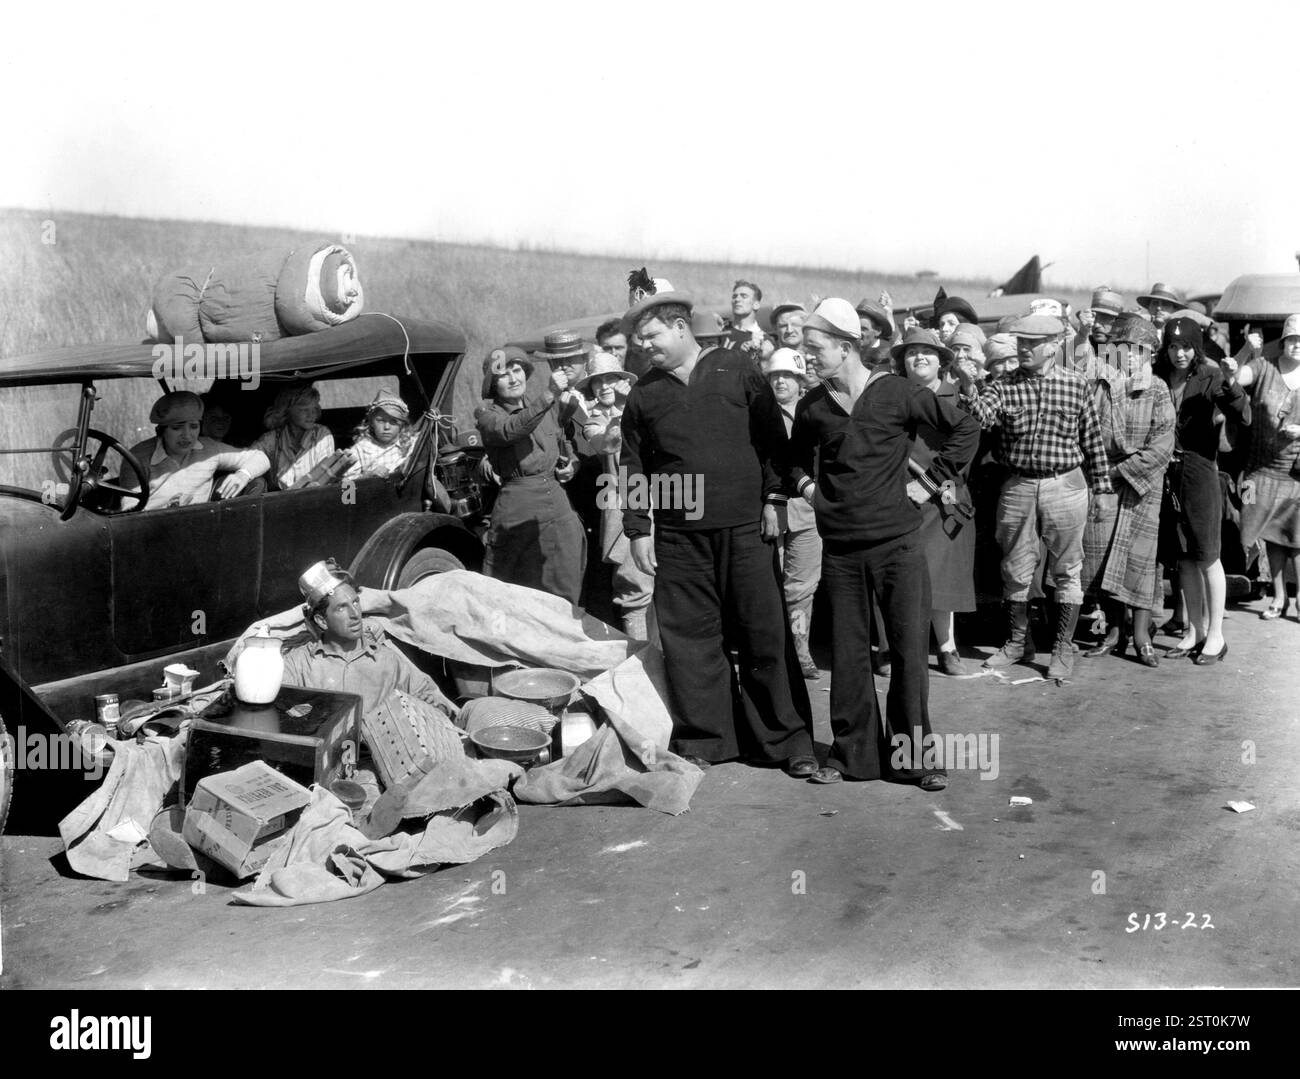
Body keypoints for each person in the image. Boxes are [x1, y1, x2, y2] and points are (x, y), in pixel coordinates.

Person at [780, 302, 978, 788]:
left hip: (899, 548)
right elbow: (788, 461)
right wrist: (811, 491)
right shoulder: (813, 407)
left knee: (910, 653)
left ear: (845, 348)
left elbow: (965, 430)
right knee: (849, 655)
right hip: (843, 552)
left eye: (814, 349)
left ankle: (916, 760)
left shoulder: (897, 393)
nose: (806, 358)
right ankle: (852, 757)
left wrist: (929, 482)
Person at [620, 289, 816, 776]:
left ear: (681, 327)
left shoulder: (735, 368)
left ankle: (785, 742)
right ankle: (708, 739)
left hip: (745, 527)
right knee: (690, 640)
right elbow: (633, 466)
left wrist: (774, 498)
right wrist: (638, 529)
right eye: (639, 340)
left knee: (763, 634)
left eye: (652, 335)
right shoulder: (645, 393)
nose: (645, 346)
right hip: (679, 538)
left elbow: (773, 440)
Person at [963, 315, 1114, 681]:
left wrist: (1103, 490)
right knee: (1014, 570)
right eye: (1021, 342)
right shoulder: (1001, 386)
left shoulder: (1076, 386)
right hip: (1018, 487)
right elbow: (982, 417)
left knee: (1067, 571)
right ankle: (1018, 643)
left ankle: (1062, 648)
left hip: (1066, 486)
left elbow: (1092, 440)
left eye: (1032, 343)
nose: (1024, 349)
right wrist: (971, 389)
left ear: (1054, 345)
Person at [1078, 315, 1176, 668]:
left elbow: (1162, 446)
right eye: (1124, 349)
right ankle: (1114, 633)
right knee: (1105, 557)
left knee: (1139, 560)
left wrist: (1120, 470)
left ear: (1151, 352)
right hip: (1104, 483)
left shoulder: (1159, 389)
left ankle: (1141, 636)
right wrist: (1102, 471)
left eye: (1139, 350)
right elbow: (1087, 431)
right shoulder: (1101, 385)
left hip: (1142, 486)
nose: (1131, 356)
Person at [1153, 317, 1249, 663]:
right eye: (1174, 346)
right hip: (1168, 470)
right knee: (1184, 559)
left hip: (1200, 470)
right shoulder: (1159, 374)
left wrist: (1232, 381)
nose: (1180, 353)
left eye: (1187, 347)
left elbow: (1244, 414)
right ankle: (1194, 631)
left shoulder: (1210, 376)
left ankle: (1216, 636)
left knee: (1208, 556)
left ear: (1197, 348)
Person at [893, 328, 980, 676]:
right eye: (912, 352)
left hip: (946, 495)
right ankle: (890, 650)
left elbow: (967, 448)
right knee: (895, 575)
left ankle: (948, 650)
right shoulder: (891, 395)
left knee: (942, 577)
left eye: (927, 352)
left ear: (941, 360)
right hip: (898, 493)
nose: (919, 358)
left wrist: (934, 485)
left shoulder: (956, 398)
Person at [475, 346, 586, 605]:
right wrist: (549, 394)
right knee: (516, 591)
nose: (514, 379)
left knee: (567, 580)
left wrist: (572, 464)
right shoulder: (487, 416)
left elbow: (563, 443)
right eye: (504, 375)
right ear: (493, 383)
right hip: (518, 509)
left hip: (557, 504)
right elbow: (511, 429)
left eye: (518, 371)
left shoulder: (546, 408)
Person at [281, 559, 461, 719]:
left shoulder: (388, 660)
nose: (355, 614)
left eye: (356, 602)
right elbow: (276, 710)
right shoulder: (299, 664)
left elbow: (435, 703)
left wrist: (431, 707)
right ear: (322, 621)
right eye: (341, 608)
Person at [1225, 313, 1300, 621]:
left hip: (1295, 472)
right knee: (1269, 536)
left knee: (1296, 539)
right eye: (1292, 340)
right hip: (1260, 472)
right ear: (1282, 342)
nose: (1297, 346)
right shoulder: (1264, 368)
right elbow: (1233, 378)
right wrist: (1243, 352)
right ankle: (1278, 597)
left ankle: (1299, 600)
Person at [577, 351, 655, 640]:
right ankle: (641, 664)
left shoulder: (645, 402)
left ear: (623, 380)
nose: (606, 386)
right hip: (624, 509)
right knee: (634, 588)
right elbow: (606, 443)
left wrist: (635, 399)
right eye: (598, 382)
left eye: (612, 378)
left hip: (668, 497)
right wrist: (624, 413)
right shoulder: (592, 420)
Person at [762, 347, 822, 679]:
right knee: (769, 584)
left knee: (802, 586)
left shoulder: (814, 412)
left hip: (809, 510)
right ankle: (773, 653)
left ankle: (800, 652)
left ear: (800, 380)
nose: (781, 380)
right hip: (771, 508)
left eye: (787, 375)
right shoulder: (758, 414)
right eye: (775, 375)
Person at [126, 391, 270, 510]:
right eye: (177, 427)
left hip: (201, 528)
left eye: (194, 426)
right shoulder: (138, 456)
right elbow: (129, 510)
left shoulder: (208, 448)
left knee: (257, 482)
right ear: (161, 430)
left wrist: (242, 475)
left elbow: (260, 457)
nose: (187, 435)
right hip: (155, 530)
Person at [251, 383, 336, 490]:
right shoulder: (271, 439)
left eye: (314, 409)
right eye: (304, 410)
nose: (311, 415)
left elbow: (325, 476)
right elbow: (249, 458)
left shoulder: (322, 434)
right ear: (287, 410)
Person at [343, 389, 417, 480]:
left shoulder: (413, 444)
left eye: (393, 421)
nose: (386, 427)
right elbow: (346, 484)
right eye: (380, 420)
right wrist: (368, 476)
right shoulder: (360, 449)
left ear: (402, 424)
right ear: (371, 423)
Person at [725, 279, 774, 361]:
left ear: (756, 305)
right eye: (734, 296)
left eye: (744, 296)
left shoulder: (764, 340)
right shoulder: (720, 329)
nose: (737, 300)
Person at [856, 296, 896, 365]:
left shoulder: (888, 356)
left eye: (863, 329)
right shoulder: (848, 349)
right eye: (856, 328)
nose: (858, 333)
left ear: (878, 331)